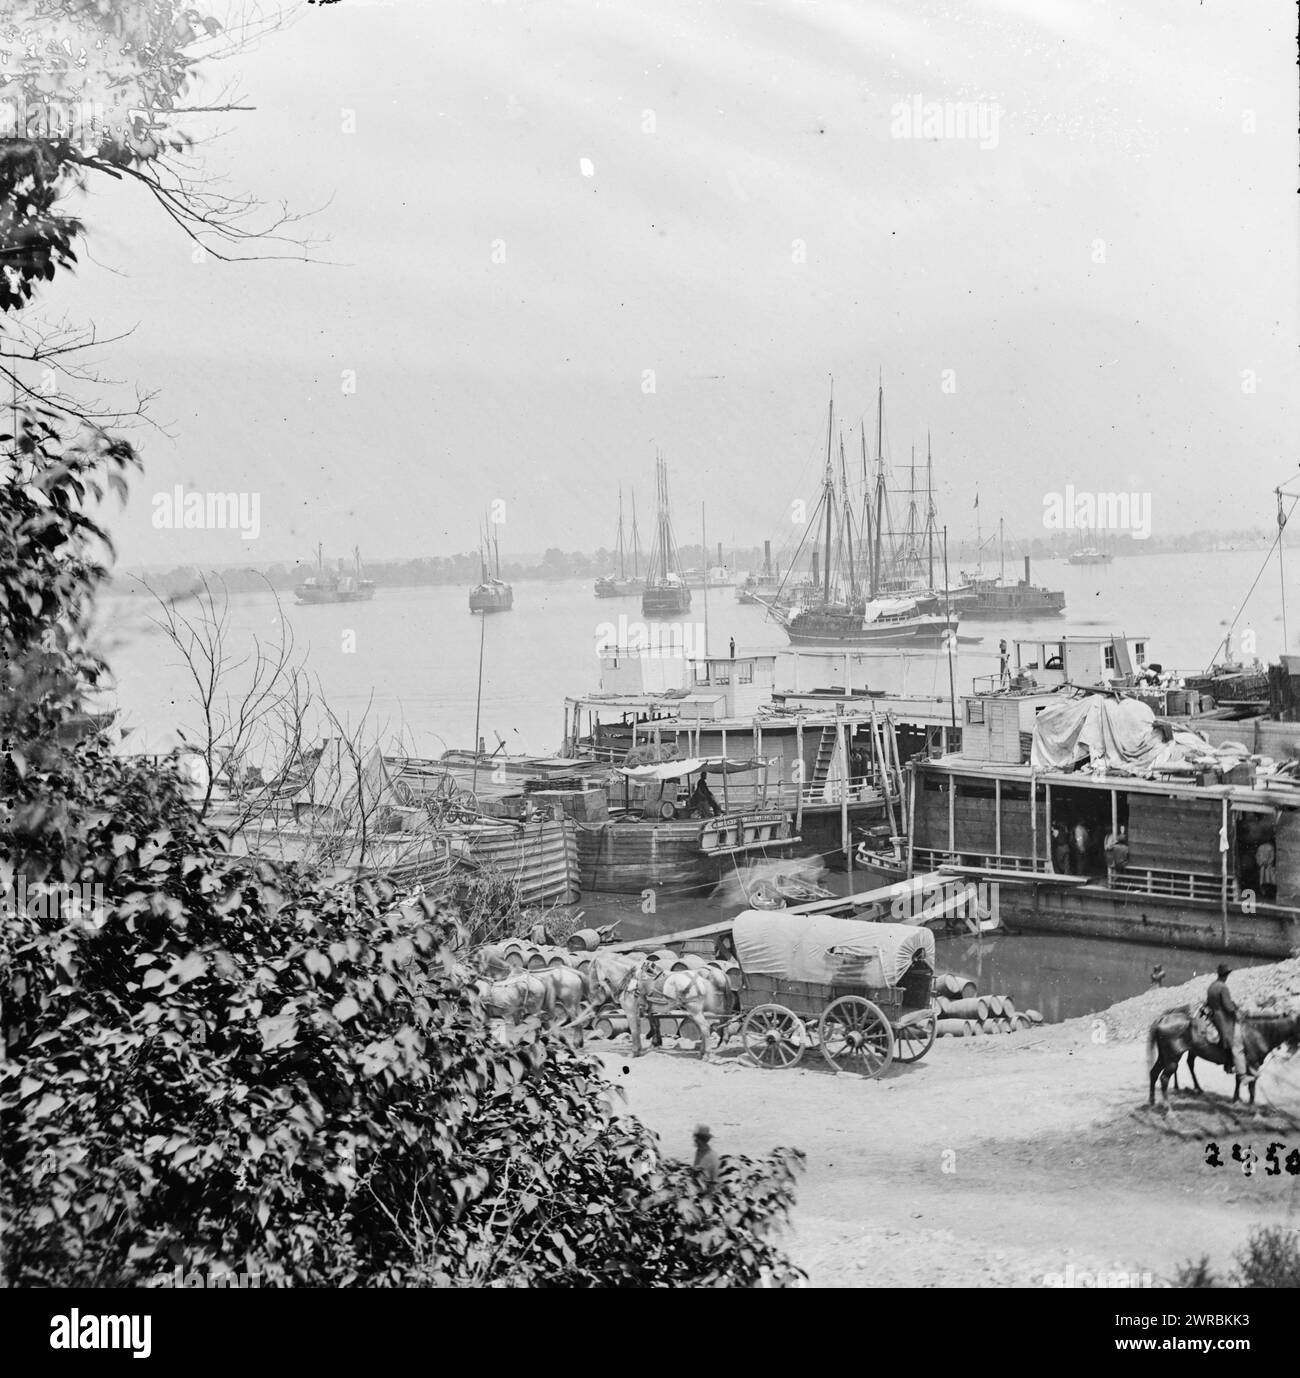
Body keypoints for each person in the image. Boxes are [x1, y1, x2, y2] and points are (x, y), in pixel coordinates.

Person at [1206, 963, 1247, 1076]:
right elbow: (1228, 1006)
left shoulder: (1212, 985)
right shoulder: (1223, 987)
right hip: (1222, 1016)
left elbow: (1208, 1002)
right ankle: (1229, 1064)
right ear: (1226, 975)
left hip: (1213, 1013)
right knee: (1231, 1038)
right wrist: (1236, 1011)